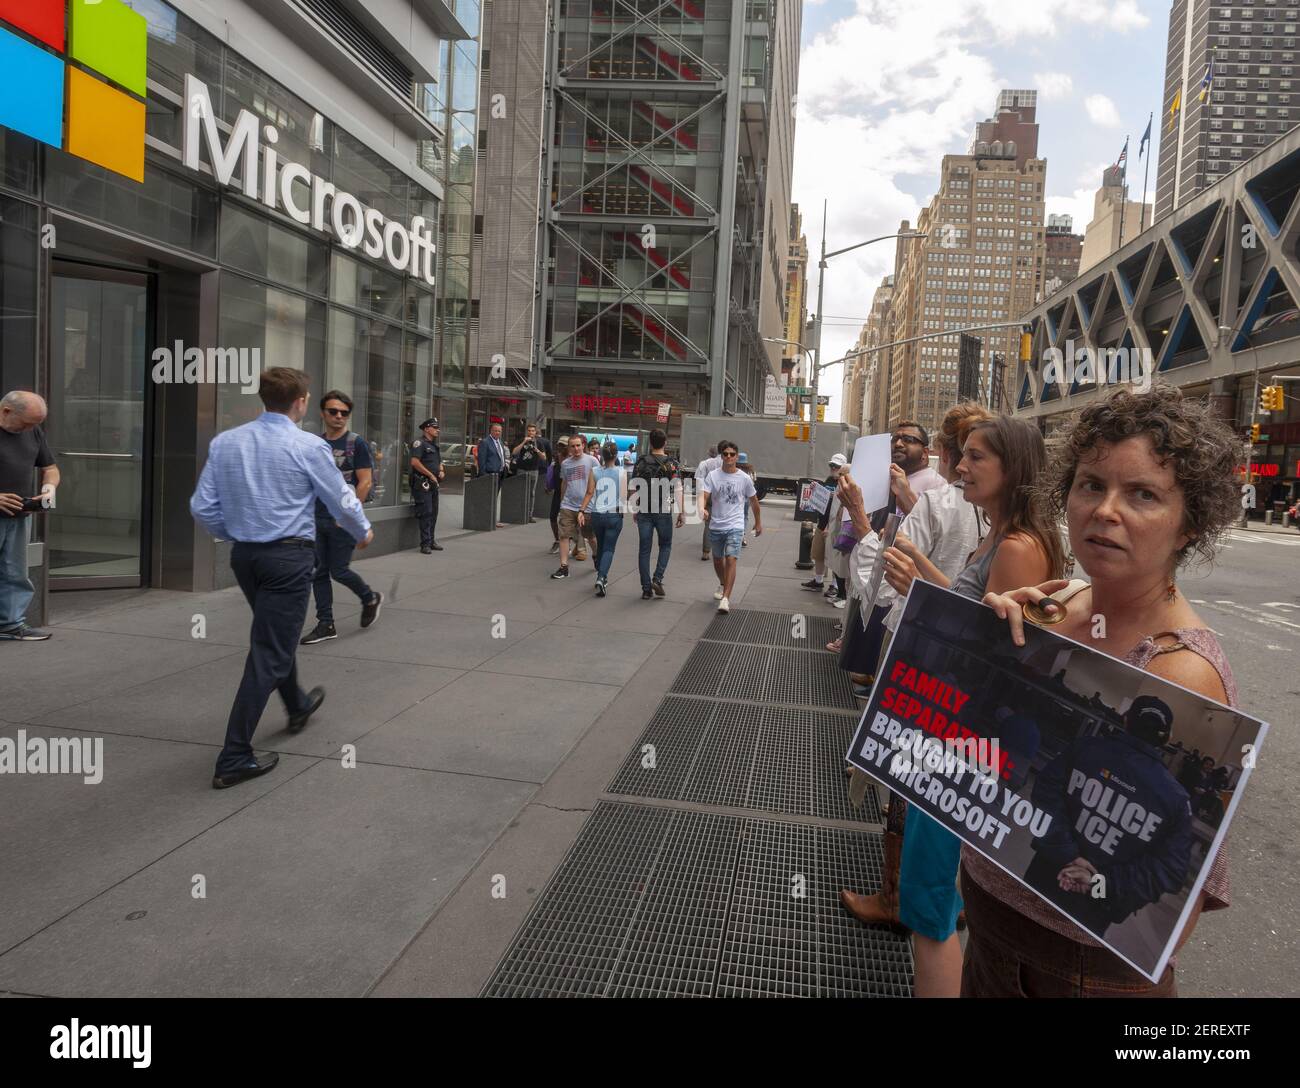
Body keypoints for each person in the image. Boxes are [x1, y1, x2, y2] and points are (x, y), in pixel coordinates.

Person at [972, 383, 1242, 997]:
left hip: (1077, 968)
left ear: (1189, 525)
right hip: (990, 925)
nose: (1105, 510)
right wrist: (983, 641)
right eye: (1091, 484)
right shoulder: (1057, 598)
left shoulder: (1182, 673)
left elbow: (1185, 875)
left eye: (1142, 494)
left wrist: (1097, 882)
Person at [841, 413, 1064, 998]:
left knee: (929, 906)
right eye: (960, 454)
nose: (958, 467)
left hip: (964, 745)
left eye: (975, 458)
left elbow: (1003, 663)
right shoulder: (995, 532)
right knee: (933, 898)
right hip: (951, 734)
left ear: (1014, 469)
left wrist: (919, 583)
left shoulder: (1017, 546)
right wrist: (923, 579)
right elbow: (977, 618)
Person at [190, 368, 372, 789]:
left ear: (263, 398)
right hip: (288, 558)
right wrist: (362, 530)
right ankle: (234, 755)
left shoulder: (227, 442)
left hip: (246, 557)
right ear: (302, 402)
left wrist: (232, 531)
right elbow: (340, 497)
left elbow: (202, 507)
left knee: (275, 636)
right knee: (269, 651)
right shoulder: (307, 445)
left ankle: (297, 705)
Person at [1023, 695, 1194, 939]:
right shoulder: (1176, 800)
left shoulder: (1084, 748)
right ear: (1167, 738)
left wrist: (1067, 856)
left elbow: (1045, 794)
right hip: (1098, 904)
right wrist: (1098, 883)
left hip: (1047, 871)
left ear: (1126, 721)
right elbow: (1169, 870)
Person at [301, 391, 383, 644]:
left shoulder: (355, 443)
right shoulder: (316, 443)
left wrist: (350, 514)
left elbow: (365, 480)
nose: (338, 416)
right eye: (333, 411)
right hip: (317, 517)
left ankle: (369, 597)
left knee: (338, 570)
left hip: (342, 519)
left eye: (344, 413)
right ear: (323, 413)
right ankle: (325, 623)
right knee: (319, 572)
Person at [0, 391, 59, 641]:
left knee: (15, 573)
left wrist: (49, 489)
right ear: (6, 411)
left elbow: (50, 468)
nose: (30, 429)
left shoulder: (32, 431)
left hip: (20, 514)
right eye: (26, 423)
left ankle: (10, 625)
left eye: (35, 425)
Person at [699, 439, 761, 613]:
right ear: (721, 456)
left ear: (736, 456)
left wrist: (758, 522)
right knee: (718, 560)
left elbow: (754, 502)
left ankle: (726, 598)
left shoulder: (744, 478)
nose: (728, 457)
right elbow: (704, 495)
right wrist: (702, 508)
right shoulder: (713, 476)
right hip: (716, 524)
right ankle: (722, 583)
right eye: (725, 454)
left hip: (735, 524)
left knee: (731, 559)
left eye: (732, 454)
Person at [631, 428, 685, 599]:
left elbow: (633, 487)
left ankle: (646, 588)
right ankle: (658, 577)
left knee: (644, 549)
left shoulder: (640, 461)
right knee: (666, 545)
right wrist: (682, 512)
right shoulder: (672, 464)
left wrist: (635, 508)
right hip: (664, 509)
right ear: (665, 443)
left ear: (650, 443)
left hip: (644, 510)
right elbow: (678, 489)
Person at [579, 441, 627, 597]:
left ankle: (601, 571)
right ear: (616, 455)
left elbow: (589, 493)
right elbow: (624, 497)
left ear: (602, 455)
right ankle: (602, 576)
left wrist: (581, 510)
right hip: (614, 514)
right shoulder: (622, 472)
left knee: (600, 545)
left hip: (597, 514)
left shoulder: (594, 471)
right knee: (609, 548)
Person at [551, 435, 599, 578]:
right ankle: (564, 566)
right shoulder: (566, 464)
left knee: (590, 536)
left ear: (583, 445)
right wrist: (562, 501)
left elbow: (599, 481)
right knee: (564, 535)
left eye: (578, 445)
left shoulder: (592, 461)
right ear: (569, 448)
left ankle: (597, 555)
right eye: (573, 446)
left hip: (587, 506)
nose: (576, 448)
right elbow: (564, 482)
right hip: (568, 505)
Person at [802, 453, 848, 593]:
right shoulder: (829, 480)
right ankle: (819, 581)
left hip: (835, 526)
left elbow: (843, 506)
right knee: (818, 554)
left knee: (834, 557)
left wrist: (831, 526)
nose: (833, 468)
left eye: (836, 466)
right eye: (831, 465)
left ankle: (835, 585)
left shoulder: (845, 483)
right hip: (822, 522)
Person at [409, 417, 445, 553]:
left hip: (434, 483)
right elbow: (415, 462)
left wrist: (441, 470)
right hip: (422, 482)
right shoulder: (419, 443)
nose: (437, 430)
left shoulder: (434, 445)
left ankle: (431, 540)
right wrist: (430, 474)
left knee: (434, 512)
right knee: (426, 512)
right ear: (426, 429)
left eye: (437, 428)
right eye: (435, 428)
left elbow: (439, 461)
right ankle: (425, 544)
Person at [476, 422, 509, 528]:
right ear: (491, 431)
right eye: (495, 430)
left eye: (499, 431)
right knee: (488, 498)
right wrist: (484, 475)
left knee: (494, 498)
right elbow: (481, 460)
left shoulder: (500, 442)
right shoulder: (485, 442)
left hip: (499, 474)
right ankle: (485, 520)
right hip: (489, 474)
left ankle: (492, 520)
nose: (497, 433)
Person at [694, 443, 723, 560]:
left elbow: (699, 480)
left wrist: (700, 500)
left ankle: (706, 552)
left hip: (707, 493)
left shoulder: (704, 464)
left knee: (708, 523)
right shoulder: (725, 462)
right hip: (721, 494)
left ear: (710, 453)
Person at [737, 452, 757, 545]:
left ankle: (735, 535)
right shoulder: (751, 471)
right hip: (747, 498)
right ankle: (742, 536)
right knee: (745, 516)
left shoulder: (734, 470)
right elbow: (753, 482)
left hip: (737, 497)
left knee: (736, 516)